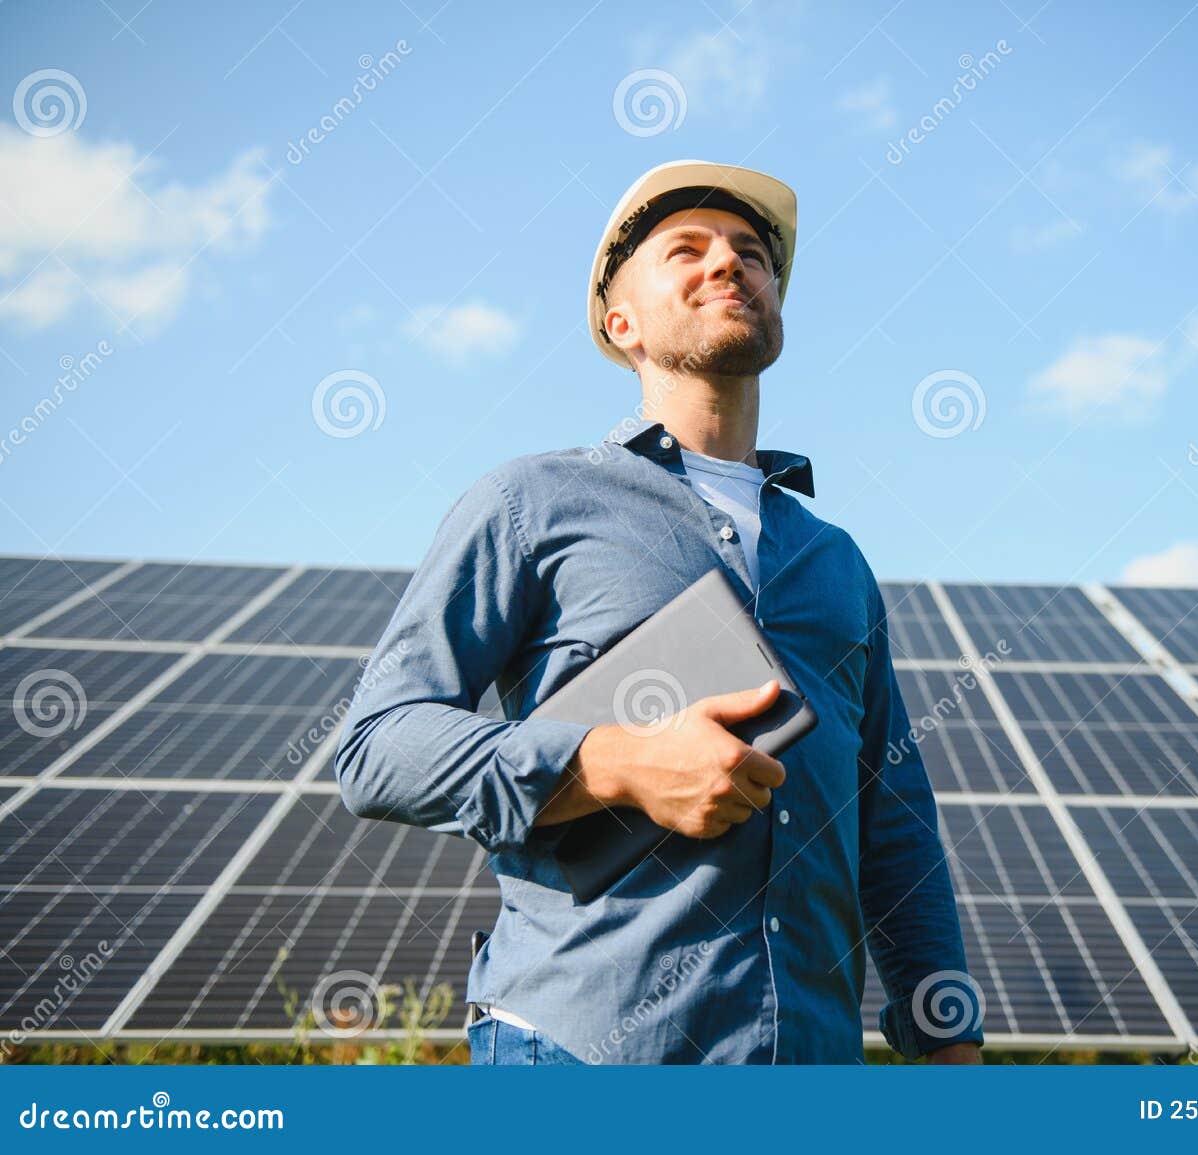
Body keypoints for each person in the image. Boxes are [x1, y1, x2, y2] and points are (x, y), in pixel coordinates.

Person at [335, 160, 983, 1065]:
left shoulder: (838, 562)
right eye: (688, 248)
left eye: (752, 254)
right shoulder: (533, 502)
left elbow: (895, 825)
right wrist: (613, 761)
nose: (730, 263)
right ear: (621, 323)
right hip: (577, 1057)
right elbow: (376, 747)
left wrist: (950, 1045)